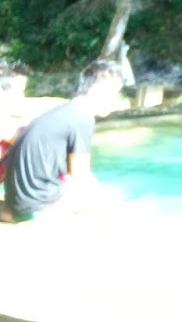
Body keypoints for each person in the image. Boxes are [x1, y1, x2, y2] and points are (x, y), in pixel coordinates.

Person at [1, 59, 125, 223]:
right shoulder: (82, 117)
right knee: (103, 205)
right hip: (31, 206)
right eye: (115, 93)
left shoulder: (66, 111)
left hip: (19, 199)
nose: (116, 100)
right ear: (98, 90)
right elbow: (81, 175)